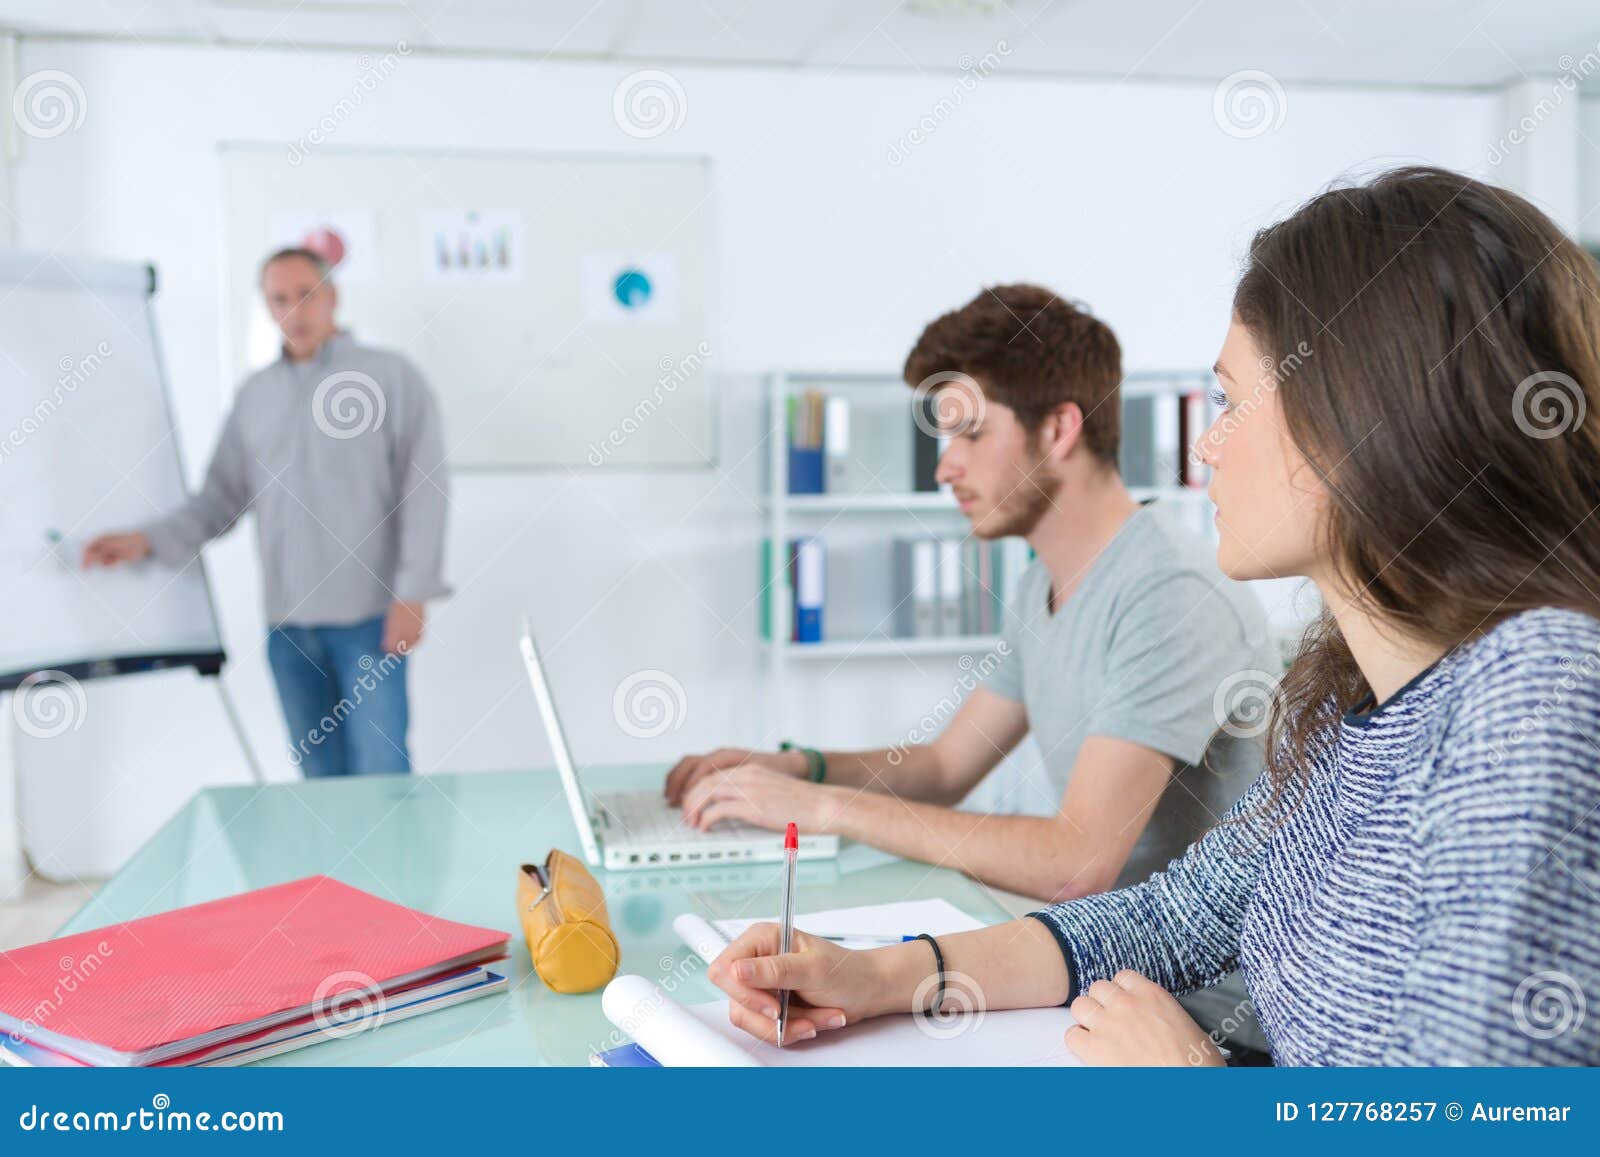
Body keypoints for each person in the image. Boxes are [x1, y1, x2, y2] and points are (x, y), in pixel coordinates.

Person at [705, 167, 1600, 1066]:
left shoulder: (1534, 694)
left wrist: (1197, 1089)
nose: (1206, 444)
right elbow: (1172, 916)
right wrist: (877, 976)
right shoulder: (1342, 697)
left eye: (1230, 401)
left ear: (1368, 412)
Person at [666, 285, 1274, 905]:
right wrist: (800, 770)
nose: (945, 468)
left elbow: (1074, 862)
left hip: (1186, 993)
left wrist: (820, 808)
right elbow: (946, 768)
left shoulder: (1168, 592)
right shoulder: (1043, 581)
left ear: (1059, 429)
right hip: (1104, 956)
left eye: (972, 436)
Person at [83, 248, 449, 777]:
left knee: (382, 773)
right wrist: (146, 541)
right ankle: (330, 866)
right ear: (266, 306)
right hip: (288, 627)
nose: (294, 311)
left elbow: (425, 490)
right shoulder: (256, 396)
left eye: (306, 295)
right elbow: (220, 500)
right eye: (280, 299)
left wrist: (413, 592)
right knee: (318, 780)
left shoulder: (391, 378)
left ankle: (396, 865)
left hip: (368, 619)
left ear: (332, 297)